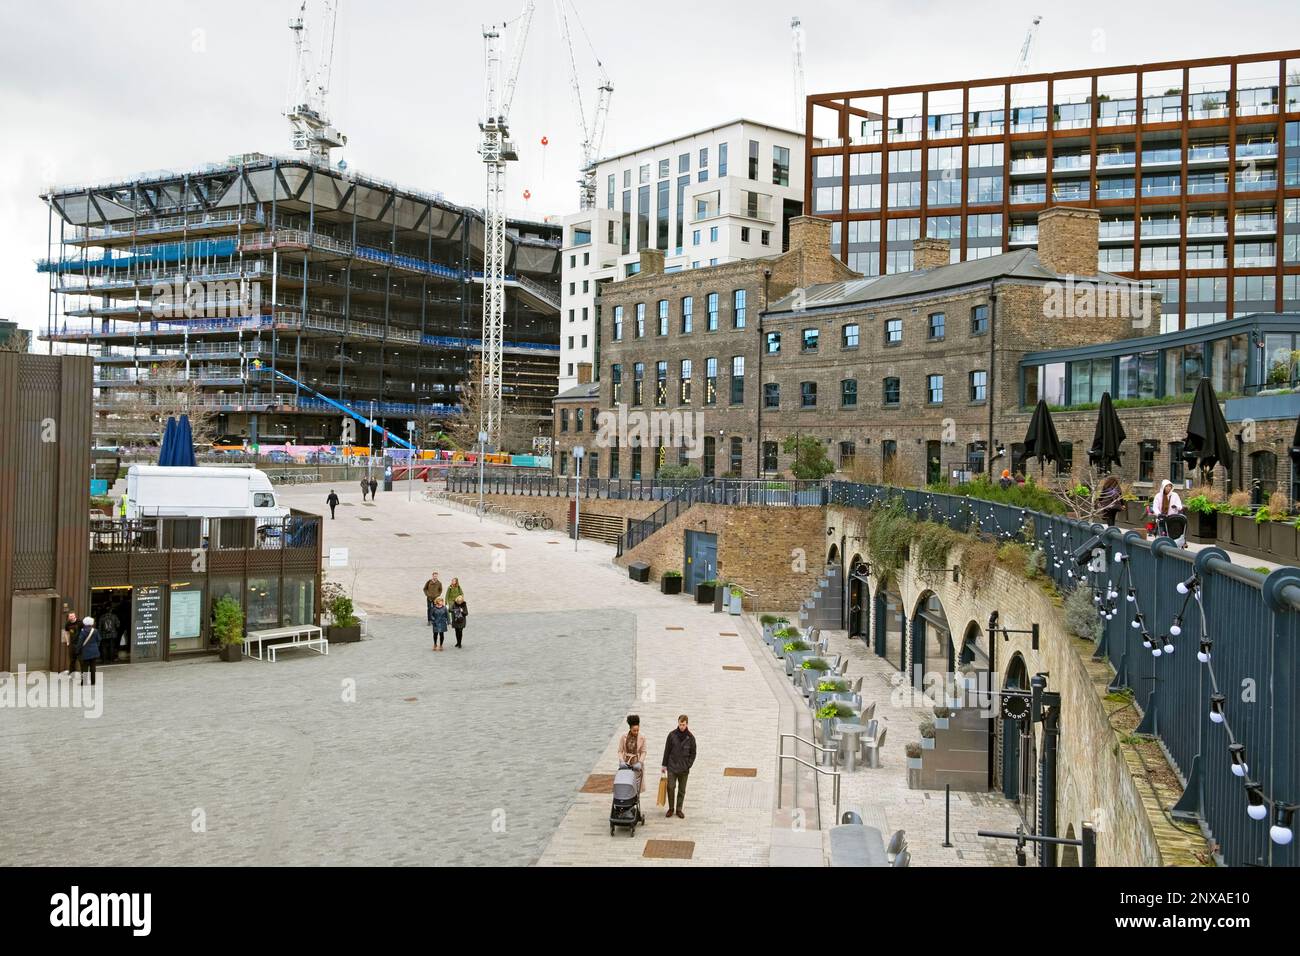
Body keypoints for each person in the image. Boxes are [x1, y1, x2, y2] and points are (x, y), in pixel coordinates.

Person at [661, 714, 697, 819]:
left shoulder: (691, 738)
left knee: (682, 790)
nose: (681, 726)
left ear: (687, 724)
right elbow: (666, 750)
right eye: (680, 724)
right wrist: (664, 765)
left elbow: (693, 753)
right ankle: (671, 808)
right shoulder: (671, 735)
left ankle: (679, 809)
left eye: (683, 724)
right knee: (670, 787)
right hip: (672, 767)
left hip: (684, 769)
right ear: (678, 723)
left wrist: (688, 765)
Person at [618, 715, 648, 801]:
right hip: (626, 764)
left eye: (637, 730)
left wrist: (640, 762)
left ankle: (635, 803)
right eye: (634, 730)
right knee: (625, 784)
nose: (636, 732)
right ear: (630, 728)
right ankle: (624, 802)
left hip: (637, 763)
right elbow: (620, 750)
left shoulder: (642, 736)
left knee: (636, 785)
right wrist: (621, 761)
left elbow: (644, 751)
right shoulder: (623, 736)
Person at [75, 617, 101, 686]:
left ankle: (84, 682)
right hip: (94, 651)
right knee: (93, 667)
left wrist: (77, 651)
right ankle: (93, 682)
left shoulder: (83, 632)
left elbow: (80, 643)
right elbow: (99, 640)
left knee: (85, 667)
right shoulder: (95, 630)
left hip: (85, 652)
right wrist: (95, 646)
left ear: (85, 623)